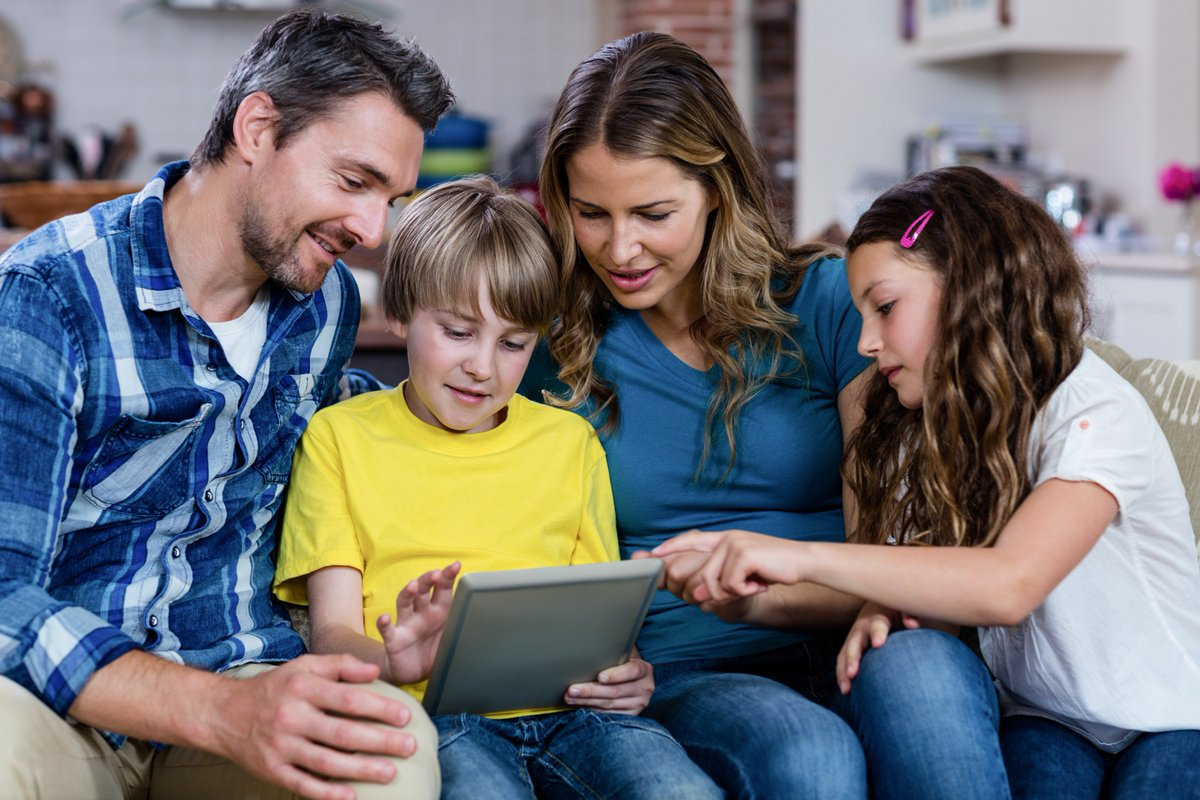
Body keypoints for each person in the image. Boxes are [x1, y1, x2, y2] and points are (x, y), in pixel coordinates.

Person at [0, 10, 455, 799]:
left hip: (243, 669)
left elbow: (356, 435)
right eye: (353, 182)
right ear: (257, 128)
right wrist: (219, 712)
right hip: (60, 705)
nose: (373, 227)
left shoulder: (326, 309)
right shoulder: (51, 295)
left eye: (393, 197)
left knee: (392, 756)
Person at [655, 165, 1200, 799]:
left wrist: (795, 554)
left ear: (970, 288)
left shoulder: (1091, 408)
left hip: (1172, 716)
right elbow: (929, 577)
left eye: (885, 308)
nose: (864, 342)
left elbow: (1010, 584)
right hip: (1049, 721)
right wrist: (739, 592)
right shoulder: (917, 427)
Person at [272, 175, 723, 799]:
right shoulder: (338, 440)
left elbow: (599, 623)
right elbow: (331, 639)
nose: (483, 367)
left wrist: (629, 672)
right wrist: (395, 662)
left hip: (576, 715)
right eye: (458, 332)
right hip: (437, 718)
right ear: (399, 315)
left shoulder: (570, 444)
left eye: (513, 343)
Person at [522, 31, 871, 798]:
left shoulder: (832, 303)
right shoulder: (554, 339)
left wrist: (759, 586)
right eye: (591, 214)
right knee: (807, 753)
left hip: (864, 646)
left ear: (717, 186)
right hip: (683, 669)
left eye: (653, 212)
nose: (621, 249)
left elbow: (891, 549)